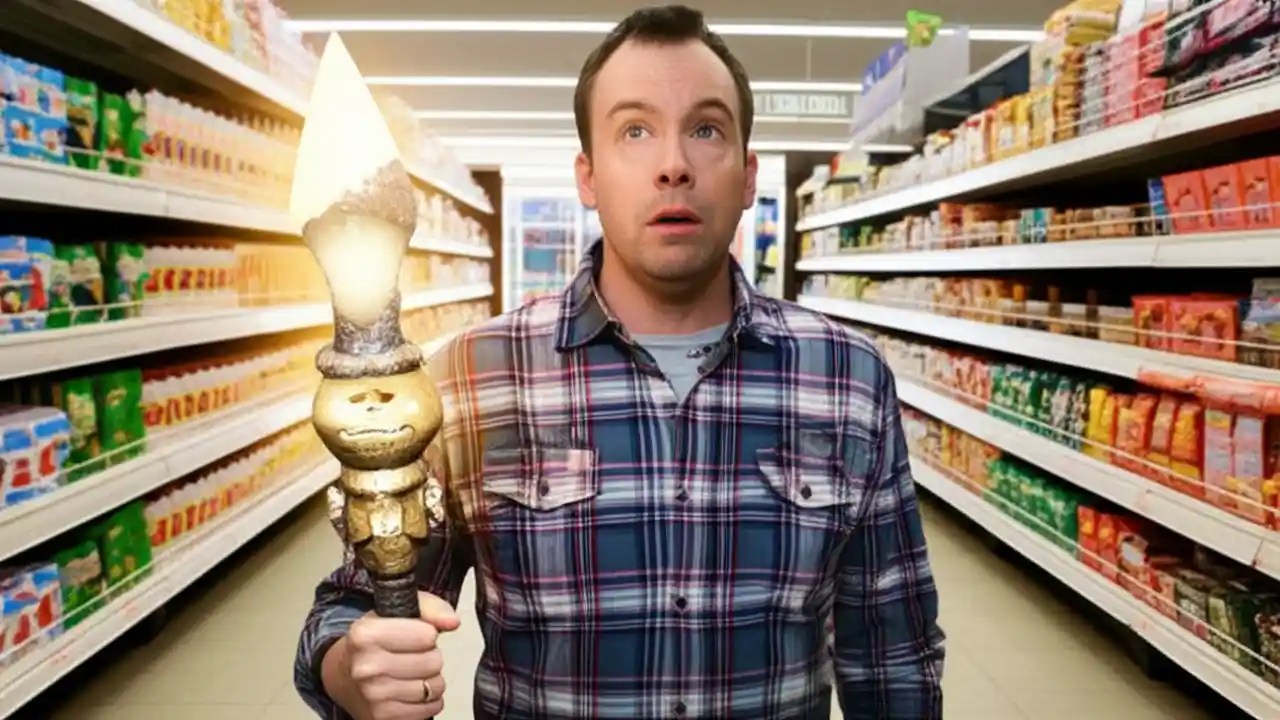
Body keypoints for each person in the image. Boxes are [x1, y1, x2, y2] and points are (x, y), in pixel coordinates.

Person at [293, 5, 945, 719]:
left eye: (706, 129)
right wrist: (352, 667)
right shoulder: (473, 376)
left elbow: (894, 656)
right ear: (589, 176)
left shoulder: (848, 379)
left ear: (747, 174)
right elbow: (353, 603)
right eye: (635, 131)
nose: (673, 165)